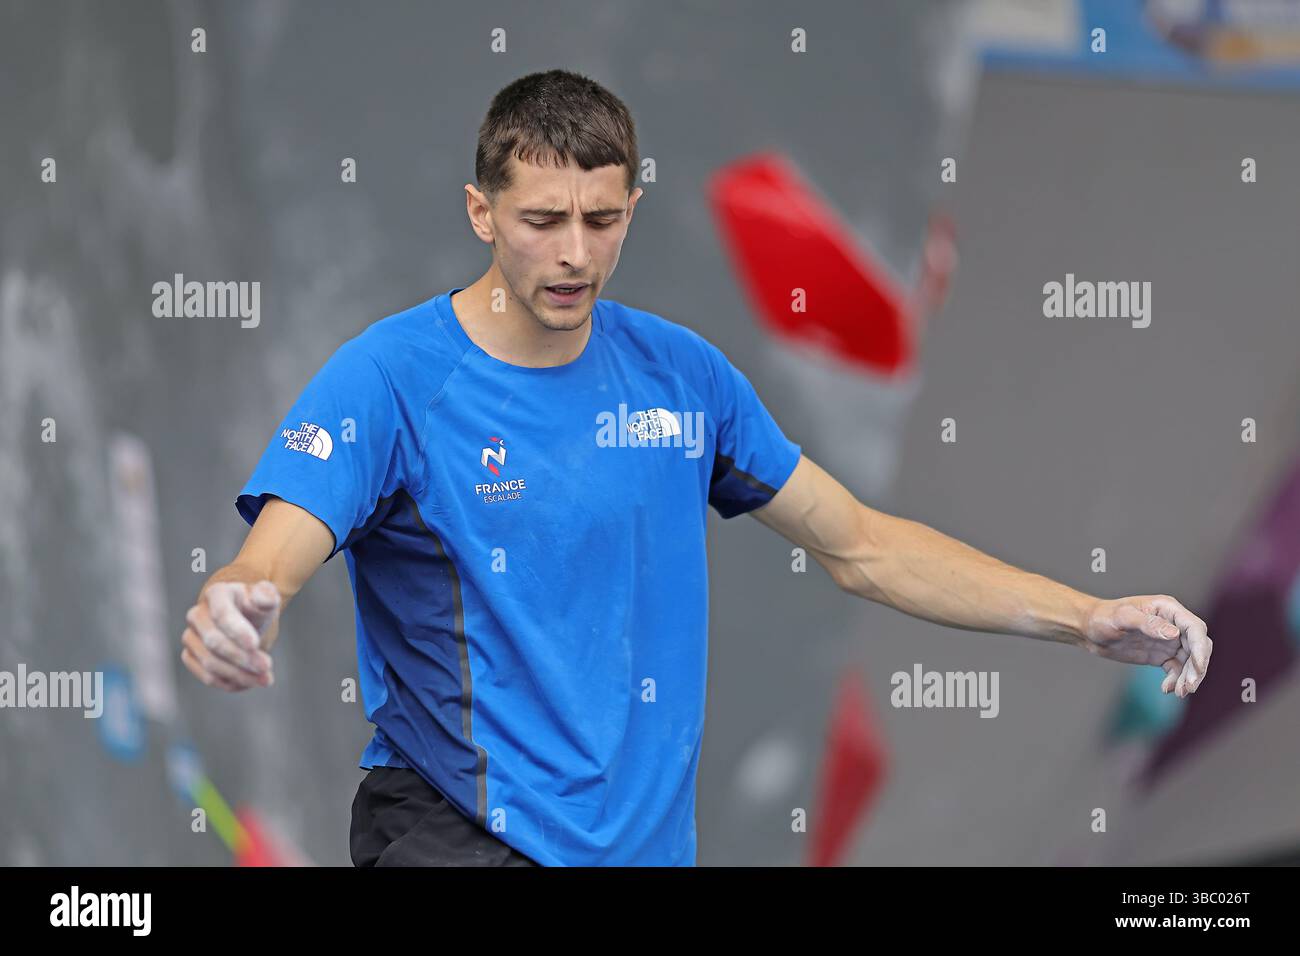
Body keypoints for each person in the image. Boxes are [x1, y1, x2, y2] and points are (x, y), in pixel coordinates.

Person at [179, 69, 1212, 867]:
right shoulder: (390, 377)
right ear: (480, 212)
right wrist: (241, 597)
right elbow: (274, 552)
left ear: (631, 205)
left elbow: (862, 546)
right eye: (542, 220)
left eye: (602, 218)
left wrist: (1085, 615)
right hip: (452, 828)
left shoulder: (683, 377)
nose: (574, 253)